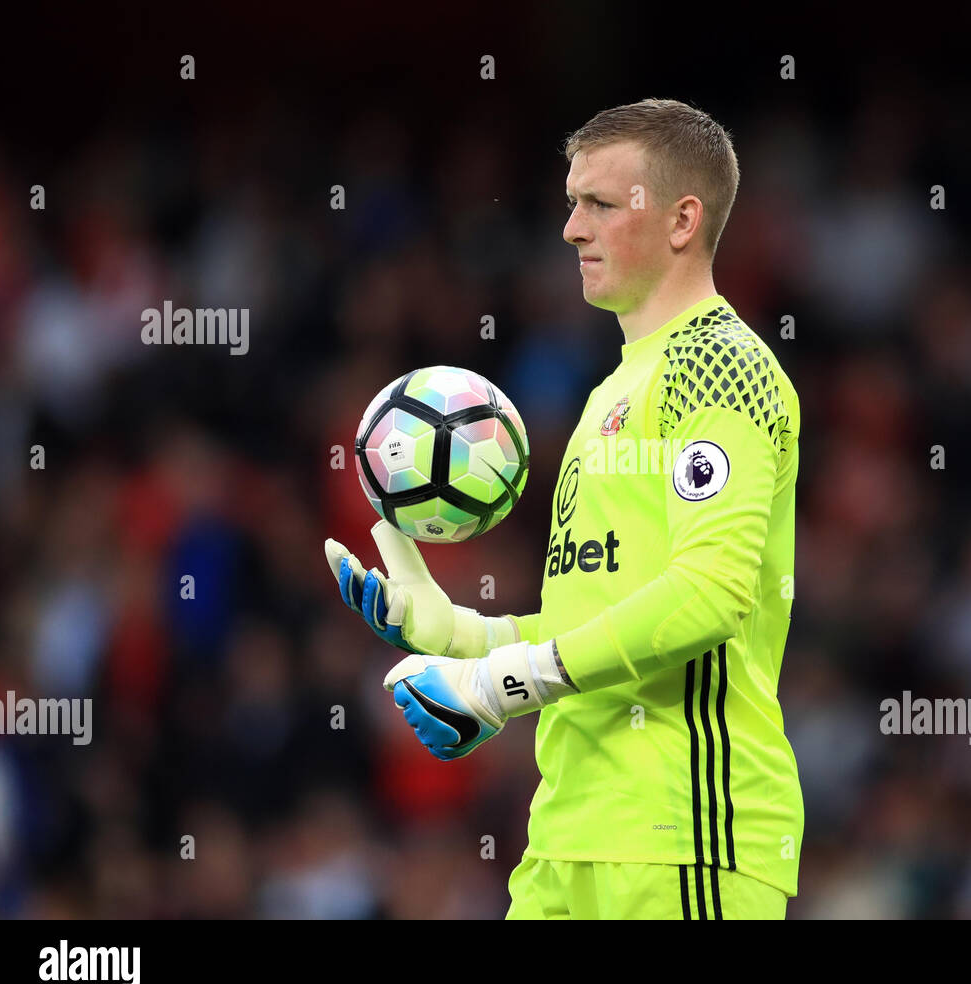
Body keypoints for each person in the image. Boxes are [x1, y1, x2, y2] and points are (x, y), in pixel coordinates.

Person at [326, 98, 803, 919]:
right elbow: (601, 615)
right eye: (572, 202)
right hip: (566, 836)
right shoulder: (610, 391)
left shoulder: (723, 367)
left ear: (684, 219)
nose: (571, 229)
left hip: (683, 832)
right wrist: (461, 636)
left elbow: (710, 595)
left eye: (602, 205)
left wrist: (500, 686)